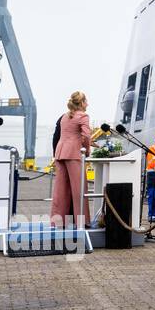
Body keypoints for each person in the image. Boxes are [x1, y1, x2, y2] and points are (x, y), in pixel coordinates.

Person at [51, 91, 92, 228]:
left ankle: (57, 222)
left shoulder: (64, 116)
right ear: (81, 103)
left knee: (60, 190)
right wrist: (87, 151)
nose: (88, 104)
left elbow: (65, 135)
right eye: (86, 101)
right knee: (79, 189)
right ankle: (82, 221)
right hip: (74, 153)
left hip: (60, 152)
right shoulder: (83, 116)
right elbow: (86, 136)